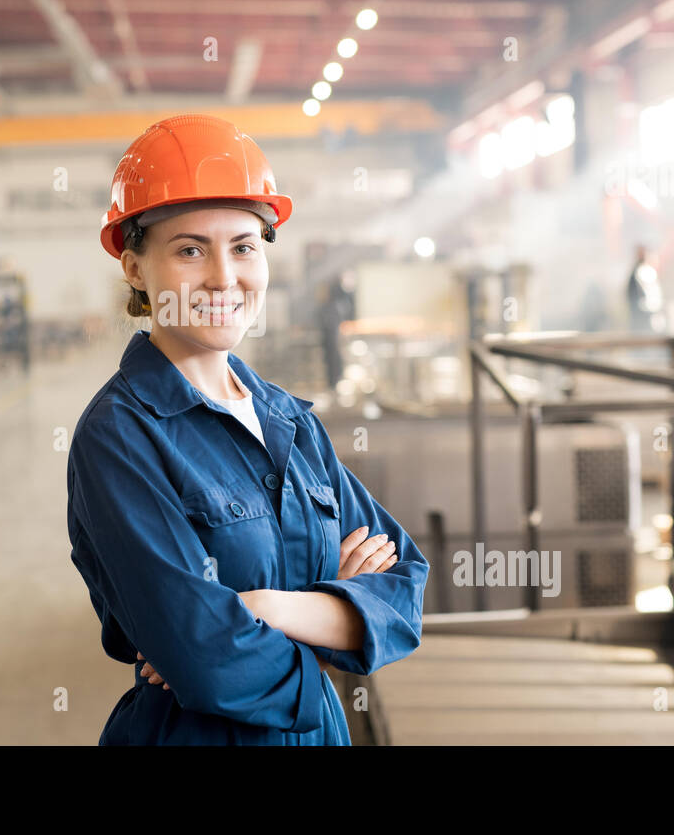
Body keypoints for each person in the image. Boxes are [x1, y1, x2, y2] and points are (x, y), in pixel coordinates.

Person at [67, 115, 429, 745]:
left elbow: (403, 597)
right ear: (133, 267)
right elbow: (207, 662)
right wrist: (329, 627)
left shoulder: (289, 420)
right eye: (188, 249)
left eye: (243, 246)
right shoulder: (120, 437)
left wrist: (263, 609)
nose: (222, 277)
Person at [626, 244, 665, 333]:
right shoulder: (640, 272)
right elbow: (637, 299)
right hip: (643, 320)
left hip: (648, 318)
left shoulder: (645, 271)